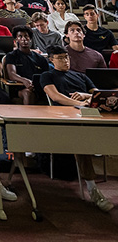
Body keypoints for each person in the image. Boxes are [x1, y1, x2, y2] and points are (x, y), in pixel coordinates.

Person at [41, 45, 114, 212]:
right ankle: (92, 189)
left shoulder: (81, 76)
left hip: (89, 112)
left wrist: (85, 96)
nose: (65, 60)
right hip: (65, 116)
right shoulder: (47, 75)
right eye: (60, 58)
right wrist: (80, 103)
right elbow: (55, 96)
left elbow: (98, 95)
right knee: (82, 138)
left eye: (66, 57)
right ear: (51, 60)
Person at [4, 26, 49, 105]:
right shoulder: (12, 56)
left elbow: (47, 75)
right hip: (19, 88)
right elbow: (12, 74)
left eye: (26, 36)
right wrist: (24, 80)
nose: (23, 39)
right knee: (28, 93)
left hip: (39, 87)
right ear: (16, 40)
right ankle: (28, 117)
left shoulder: (40, 58)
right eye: (20, 36)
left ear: (30, 39)